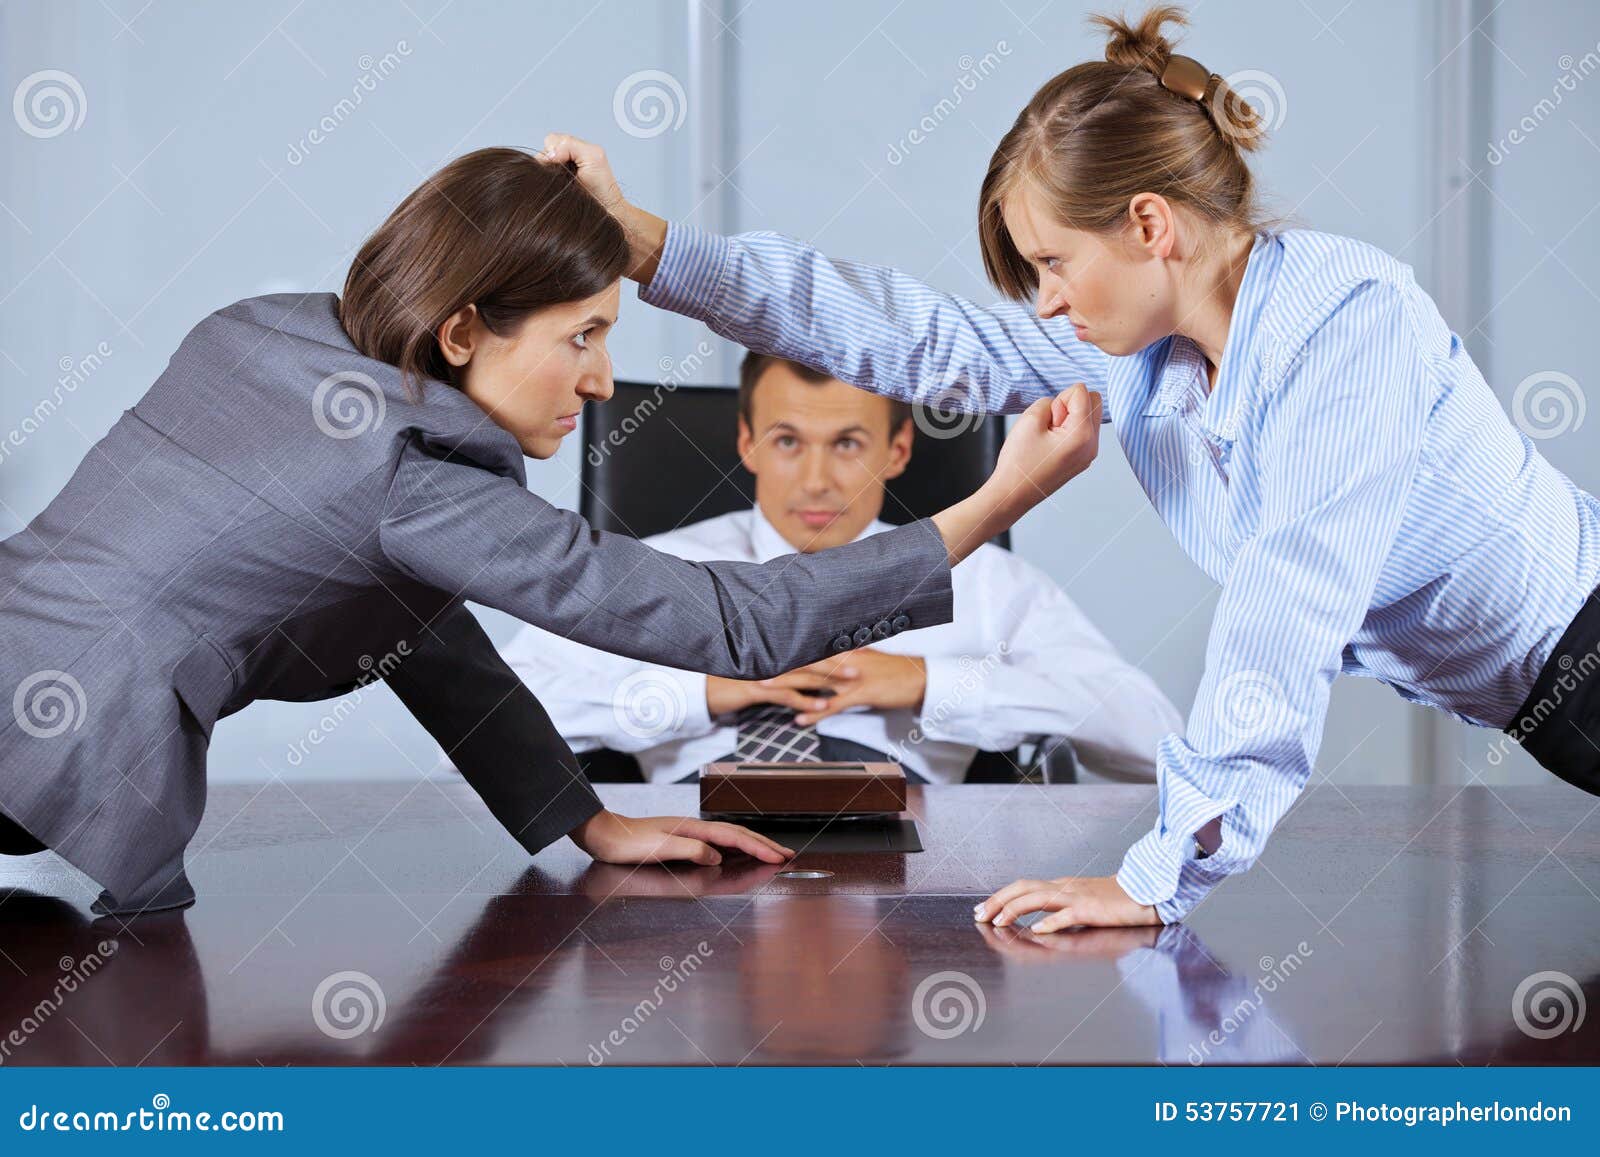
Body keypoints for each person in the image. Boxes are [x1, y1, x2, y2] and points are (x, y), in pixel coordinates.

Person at [543, 4, 1600, 930]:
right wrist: (646, 246)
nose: (1044, 301)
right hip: (1544, 700)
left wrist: (1157, 879)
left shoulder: (1345, 329)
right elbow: (914, 337)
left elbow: (1283, 606)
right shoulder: (1143, 346)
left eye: (1053, 263)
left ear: (1148, 224)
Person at [0, 147, 1100, 918]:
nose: (603, 376)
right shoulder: (408, 476)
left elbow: (409, 624)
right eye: (581, 334)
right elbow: (732, 621)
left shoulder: (267, 333)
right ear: (466, 327)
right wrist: (990, 505)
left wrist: (580, 818)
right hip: (48, 745)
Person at [489, 350, 1180, 783]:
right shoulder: (653, 566)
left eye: (848, 443)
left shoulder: (985, 581)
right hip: (685, 875)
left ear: (898, 449)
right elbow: (489, 725)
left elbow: (1155, 742)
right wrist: (700, 691)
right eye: (789, 441)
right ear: (748, 442)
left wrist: (926, 682)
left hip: (916, 881)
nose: (816, 480)